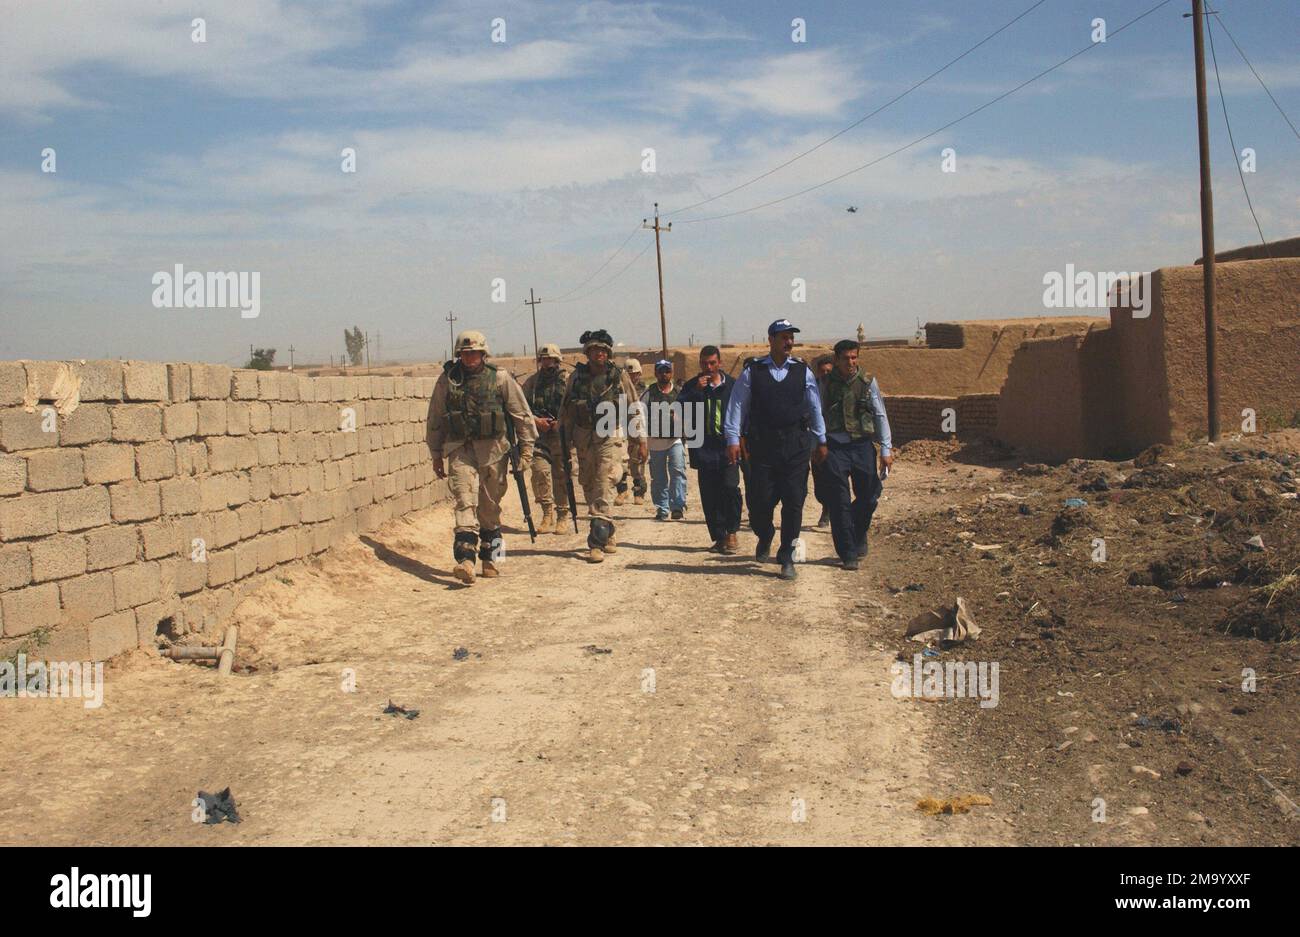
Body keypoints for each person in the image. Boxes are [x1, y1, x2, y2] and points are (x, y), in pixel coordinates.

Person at [426, 330, 537, 585]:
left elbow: (521, 414)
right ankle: (465, 559)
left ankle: (493, 559)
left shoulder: (500, 378)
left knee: (491, 507)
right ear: (459, 355)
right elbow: (435, 419)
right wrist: (435, 454)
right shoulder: (447, 380)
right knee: (465, 500)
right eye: (465, 353)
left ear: (483, 353)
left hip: (494, 450)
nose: (470, 357)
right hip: (460, 449)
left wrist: (527, 449)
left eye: (474, 352)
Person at [724, 319, 827, 581]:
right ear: (770, 340)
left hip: (795, 446)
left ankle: (786, 556)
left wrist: (821, 440)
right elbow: (737, 406)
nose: (788, 342)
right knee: (759, 503)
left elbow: (815, 407)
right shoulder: (753, 371)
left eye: (791, 337)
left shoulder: (802, 371)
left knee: (794, 502)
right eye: (783, 337)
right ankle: (765, 534)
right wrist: (732, 439)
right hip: (762, 448)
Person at [561, 329, 647, 563]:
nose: (598, 353)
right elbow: (566, 412)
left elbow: (633, 407)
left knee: (603, 482)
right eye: (594, 350)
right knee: (588, 484)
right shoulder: (576, 378)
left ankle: (595, 542)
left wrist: (639, 439)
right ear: (588, 353)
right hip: (582, 436)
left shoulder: (618, 376)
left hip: (609, 436)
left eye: (602, 350)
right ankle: (608, 529)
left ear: (608, 353)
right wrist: (564, 444)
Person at [816, 339, 894, 570]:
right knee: (839, 502)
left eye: (854, 357)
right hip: (835, 448)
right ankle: (848, 552)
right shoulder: (824, 383)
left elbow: (880, 415)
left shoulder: (868, 382)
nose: (851, 362)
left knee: (869, 496)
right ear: (836, 360)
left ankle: (858, 533)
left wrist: (886, 449)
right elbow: (817, 413)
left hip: (862, 447)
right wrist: (818, 444)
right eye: (846, 358)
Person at [676, 345, 741, 553]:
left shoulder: (732, 386)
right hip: (703, 448)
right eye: (705, 363)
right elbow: (678, 410)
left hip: (727, 447)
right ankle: (719, 536)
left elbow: (744, 410)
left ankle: (732, 532)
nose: (709, 367)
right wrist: (695, 392)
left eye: (713, 363)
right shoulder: (691, 387)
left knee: (730, 489)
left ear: (720, 363)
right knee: (710, 495)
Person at [521, 343, 571, 535]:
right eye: (544, 359)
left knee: (561, 475)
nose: (547, 363)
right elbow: (522, 408)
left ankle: (562, 515)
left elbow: (575, 406)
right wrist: (536, 421)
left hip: (561, 436)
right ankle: (546, 512)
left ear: (557, 360)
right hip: (539, 435)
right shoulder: (532, 383)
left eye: (551, 359)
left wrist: (562, 421)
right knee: (539, 473)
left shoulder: (567, 381)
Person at [641, 359, 687, 521]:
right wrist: (642, 442)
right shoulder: (649, 393)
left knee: (678, 472)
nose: (664, 374)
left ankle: (677, 507)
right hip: (655, 441)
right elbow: (640, 416)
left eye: (667, 371)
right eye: (661, 371)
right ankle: (662, 508)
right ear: (655, 373)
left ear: (671, 373)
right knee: (659, 477)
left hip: (675, 440)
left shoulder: (680, 392)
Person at [617, 359, 649, 505]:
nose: (632, 377)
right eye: (629, 374)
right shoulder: (619, 389)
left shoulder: (645, 390)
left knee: (637, 462)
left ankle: (639, 492)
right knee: (621, 462)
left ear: (639, 374)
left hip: (638, 429)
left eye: (634, 374)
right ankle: (622, 491)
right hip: (622, 428)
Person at [811, 354, 834, 529]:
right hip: (816, 442)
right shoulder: (811, 389)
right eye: (822, 371)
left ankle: (831, 510)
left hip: (836, 441)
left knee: (835, 477)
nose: (825, 374)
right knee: (819, 480)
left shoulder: (838, 389)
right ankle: (825, 504)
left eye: (829, 371)